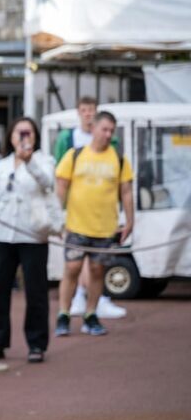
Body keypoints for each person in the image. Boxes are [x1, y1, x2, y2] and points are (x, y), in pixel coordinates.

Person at [55, 111, 134, 337]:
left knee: (98, 271)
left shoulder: (119, 159)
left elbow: (126, 192)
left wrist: (130, 221)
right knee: (72, 268)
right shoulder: (75, 155)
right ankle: (64, 313)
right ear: (94, 128)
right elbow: (61, 186)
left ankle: (91, 314)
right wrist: (57, 220)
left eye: (111, 130)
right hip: (76, 224)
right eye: (104, 129)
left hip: (105, 227)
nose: (108, 134)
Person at [0, 117, 55, 363]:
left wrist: (30, 162)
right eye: (19, 133)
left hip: (33, 234)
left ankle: (36, 344)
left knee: (36, 291)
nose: (24, 137)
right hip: (4, 234)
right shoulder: (2, 165)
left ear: (35, 136)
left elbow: (48, 184)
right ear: (11, 136)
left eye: (29, 133)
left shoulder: (45, 161)